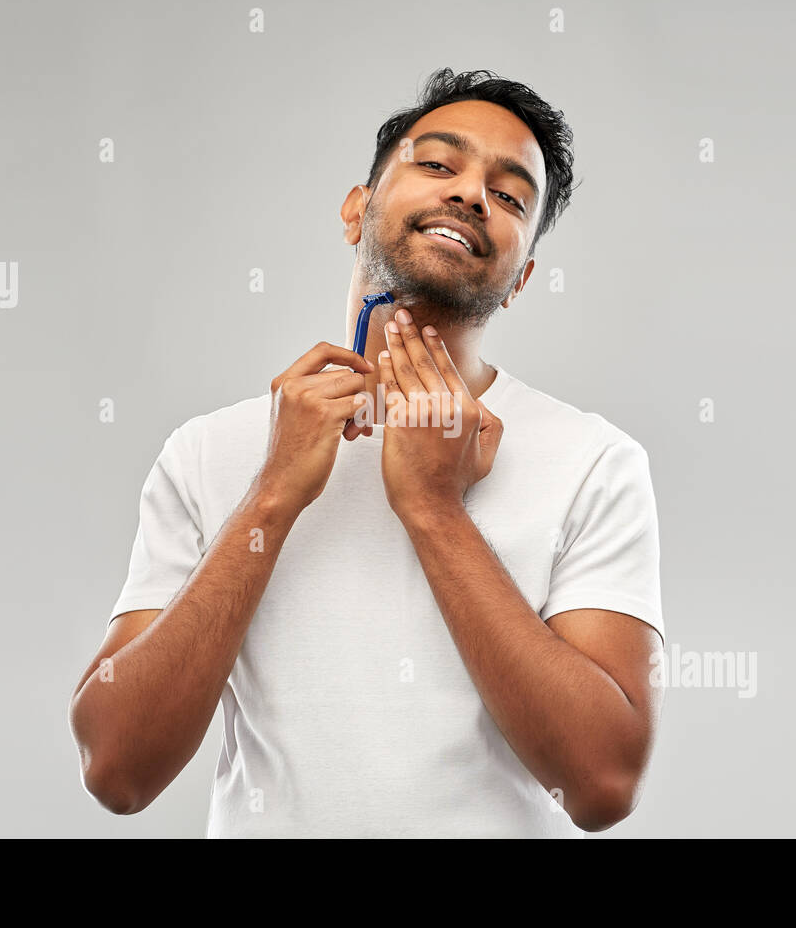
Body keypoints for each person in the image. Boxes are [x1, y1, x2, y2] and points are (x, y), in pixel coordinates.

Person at [69, 68, 666, 837]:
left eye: (511, 195)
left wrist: (433, 508)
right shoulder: (208, 453)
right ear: (357, 210)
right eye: (438, 164)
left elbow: (604, 783)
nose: (471, 194)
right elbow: (116, 768)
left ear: (521, 278)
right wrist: (273, 494)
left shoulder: (595, 461)